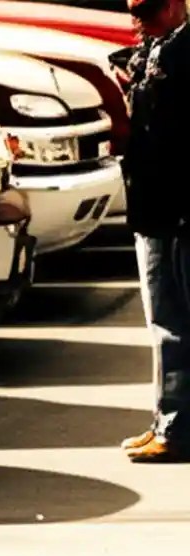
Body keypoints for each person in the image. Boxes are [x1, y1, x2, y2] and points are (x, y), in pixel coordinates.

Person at [120, 0, 190, 462]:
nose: (134, 20)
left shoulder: (177, 58)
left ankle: (175, 426)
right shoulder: (158, 49)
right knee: (167, 321)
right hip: (157, 206)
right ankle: (167, 419)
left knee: (170, 323)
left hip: (170, 209)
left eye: (144, 9)